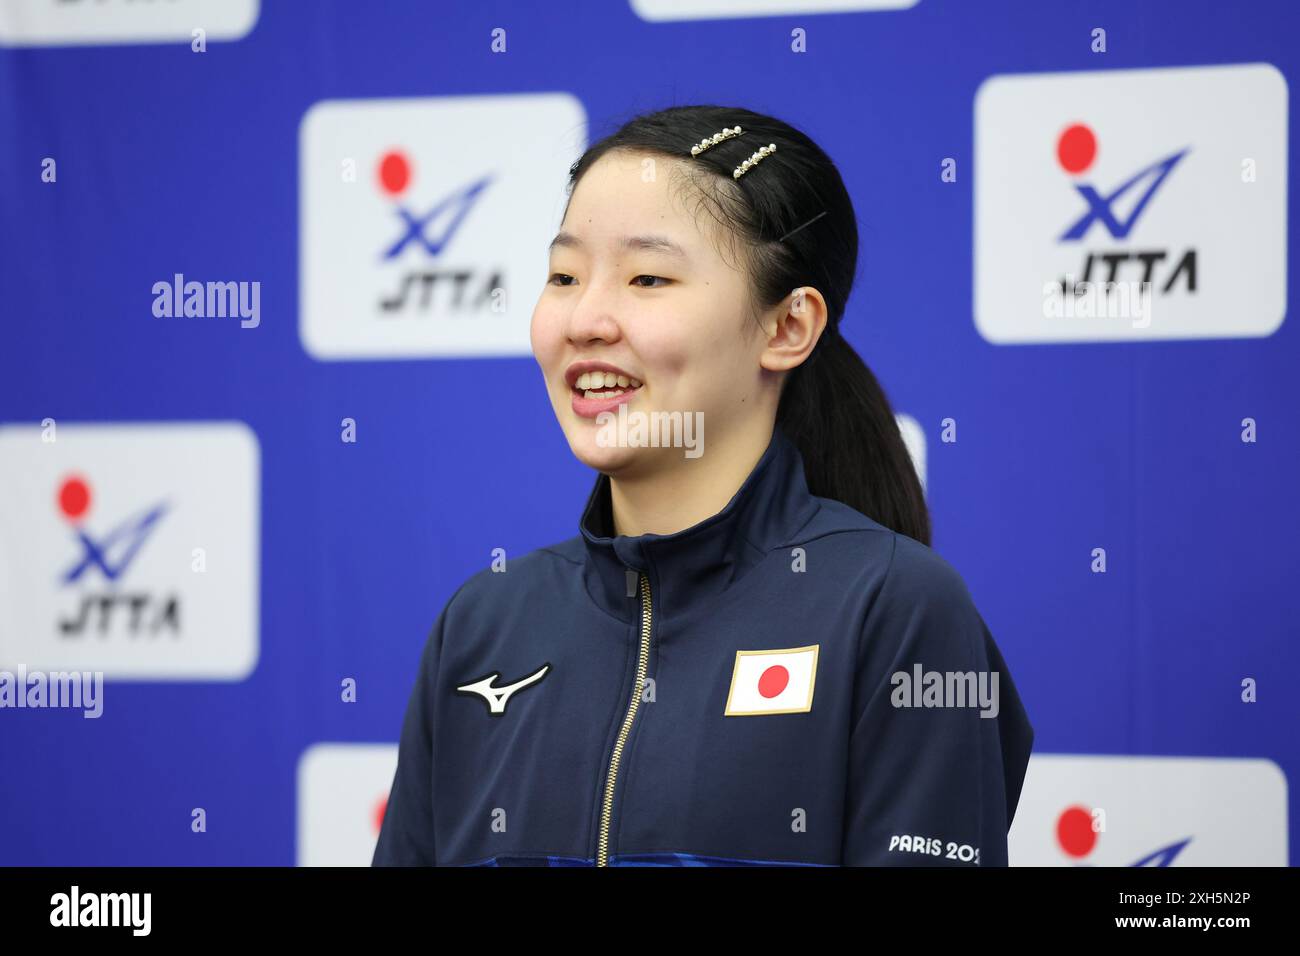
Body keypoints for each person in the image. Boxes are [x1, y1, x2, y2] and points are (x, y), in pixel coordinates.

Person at [372, 104, 1033, 867]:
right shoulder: (481, 624)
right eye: (563, 275)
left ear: (787, 328)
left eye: (647, 277)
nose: (585, 319)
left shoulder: (897, 607)